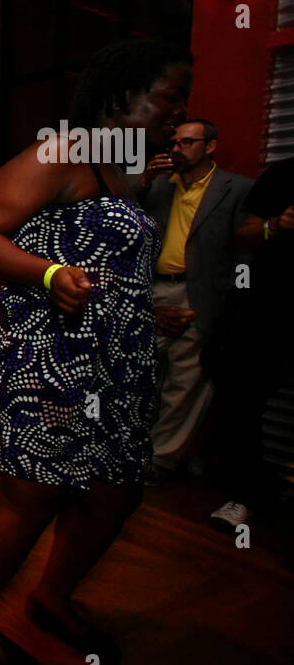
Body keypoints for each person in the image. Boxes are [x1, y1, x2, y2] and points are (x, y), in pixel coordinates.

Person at [0, 39, 191, 665]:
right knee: (34, 493)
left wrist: (140, 309)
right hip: (39, 350)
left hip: (107, 359)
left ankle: (51, 597)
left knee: (117, 490)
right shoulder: (63, 151)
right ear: (122, 96)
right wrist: (49, 274)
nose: (177, 112)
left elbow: (105, 259)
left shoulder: (124, 170)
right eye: (168, 98)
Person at [137, 119, 252, 482]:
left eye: (187, 143)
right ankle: (131, 450)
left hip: (199, 292)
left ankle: (160, 459)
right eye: (175, 142)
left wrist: (233, 298)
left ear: (210, 147)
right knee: (140, 373)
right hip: (152, 289)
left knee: (185, 384)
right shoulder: (156, 187)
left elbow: (244, 249)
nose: (177, 149)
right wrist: (140, 184)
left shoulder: (236, 189)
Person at [205, 158, 294, 528]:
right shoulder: (284, 174)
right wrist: (276, 226)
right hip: (270, 308)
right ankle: (244, 496)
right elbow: (243, 234)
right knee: (241, 399)